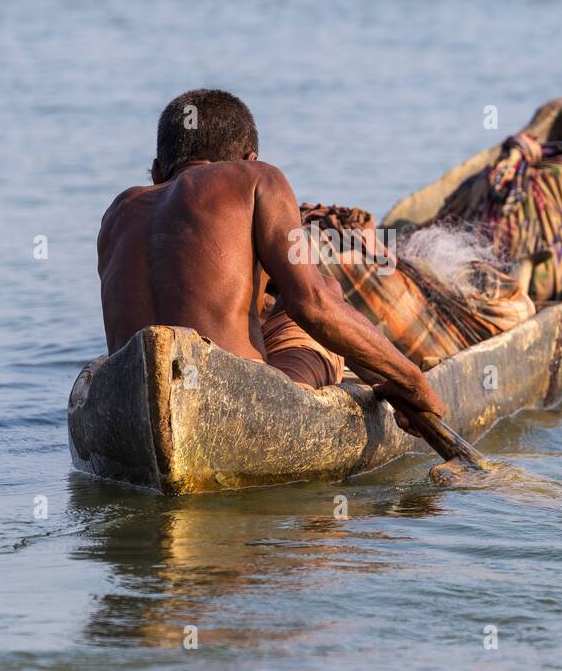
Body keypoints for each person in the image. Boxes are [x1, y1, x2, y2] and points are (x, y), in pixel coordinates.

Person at [97, 89, 445, 431]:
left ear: (158, 171)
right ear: (251, 158)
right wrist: (413, 381)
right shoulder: (257, 178)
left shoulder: (118, 210)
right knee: (325, 297)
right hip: (233, 406)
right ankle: (389, 381)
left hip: (128, 418)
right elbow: (313, 305)